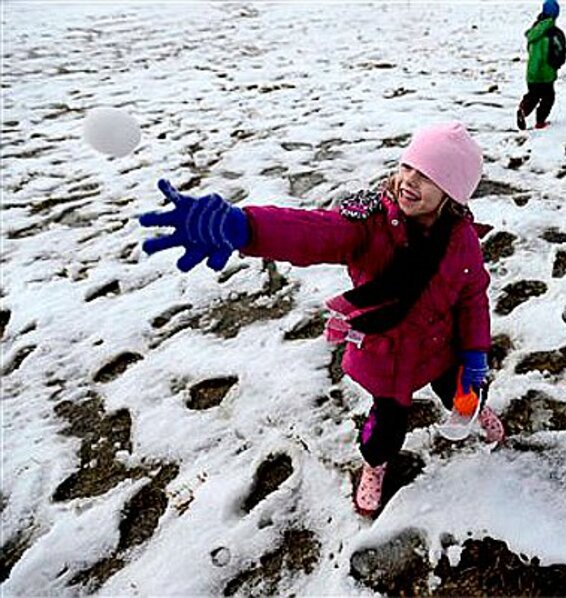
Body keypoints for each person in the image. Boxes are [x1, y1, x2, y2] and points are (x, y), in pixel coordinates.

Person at [138, 122, 505, 516]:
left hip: (439, 348)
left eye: (430, 175)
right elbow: (313, 232)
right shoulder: (369, 222)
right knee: (385, 428)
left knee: (463, 391)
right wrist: (244, 227)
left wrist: (475, 355)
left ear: (452, 194)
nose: (410, 181)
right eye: (407, 166)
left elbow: (472, 299)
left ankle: (476, 410)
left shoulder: (460, 238)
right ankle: (375, 464)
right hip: (388, 355)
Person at [517, 0, 561, 130]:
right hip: (545, 74)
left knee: (533, 95)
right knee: (548, 98)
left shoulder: (535, 30)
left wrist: (533, 72)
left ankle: (523, 110)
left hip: (532, 73)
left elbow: (532, 53)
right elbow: (557, 52)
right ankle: (540, 122)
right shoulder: (552, 33)